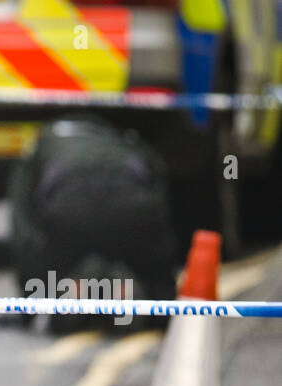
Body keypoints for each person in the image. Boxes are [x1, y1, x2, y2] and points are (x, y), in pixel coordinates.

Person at [9, 115, 177, 334]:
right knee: (134, 248)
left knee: (63, 253)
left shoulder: (40, 145)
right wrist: (164, 296)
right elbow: (159, 187)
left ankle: (77, 285)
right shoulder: (121, 140)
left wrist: (28, 306)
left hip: (68, 208)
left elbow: (21, 226)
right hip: (132, 205)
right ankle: (127, 288)